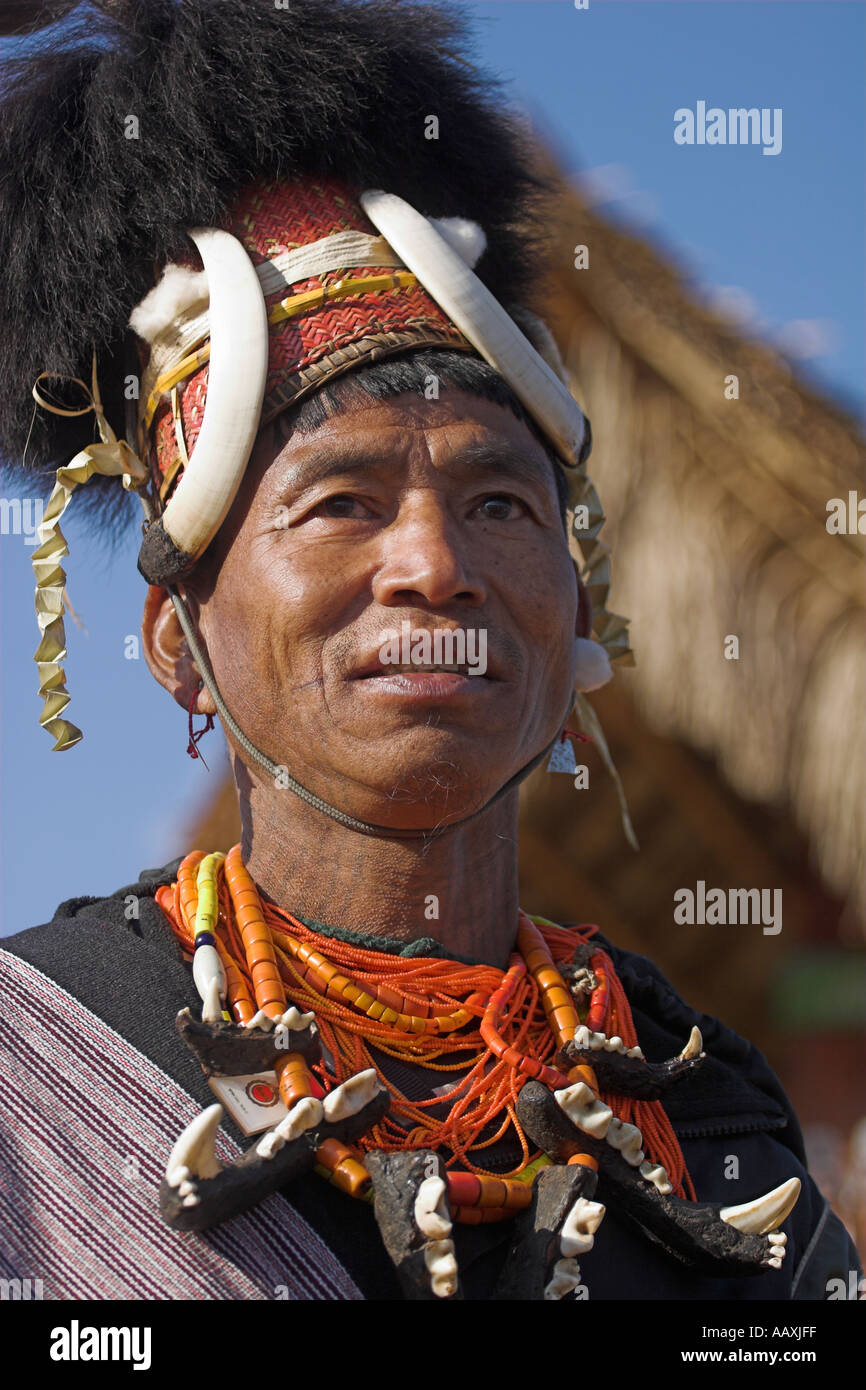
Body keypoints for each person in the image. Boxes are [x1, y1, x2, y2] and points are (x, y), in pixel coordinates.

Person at [0, 0, 858, 1301]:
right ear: (177, 646)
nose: (434, 562)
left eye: (498, 503)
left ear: (577, 615)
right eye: (338, 501)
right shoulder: (39, 1071)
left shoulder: (709, 1100)